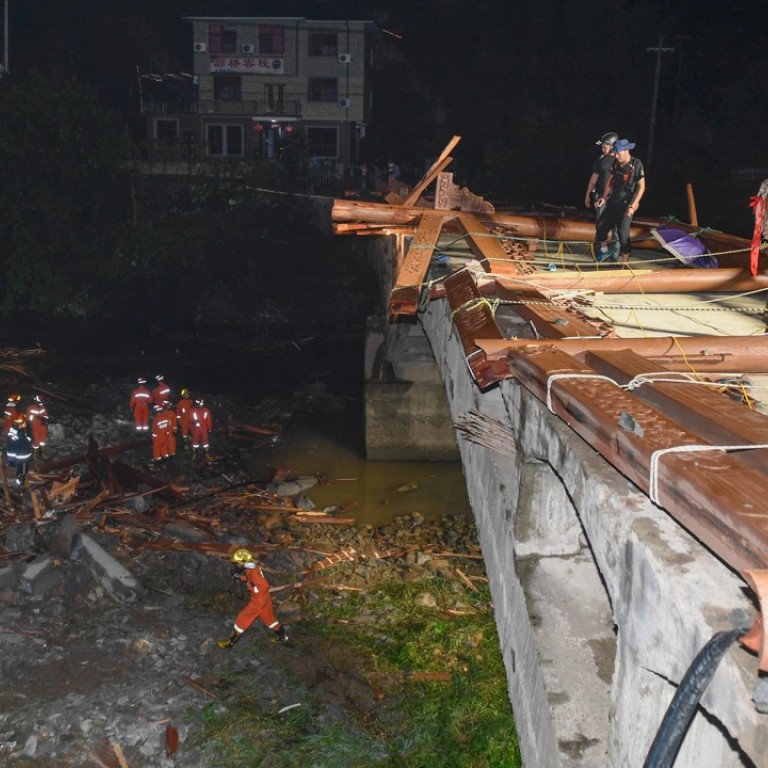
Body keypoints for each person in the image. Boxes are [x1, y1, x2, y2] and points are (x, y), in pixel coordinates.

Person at [218, 548, 288, 648]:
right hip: (265, 599)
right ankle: (282, 636)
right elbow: (250, 578)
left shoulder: (253, 571)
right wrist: (240, 577)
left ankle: (230, 642)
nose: (237, 565)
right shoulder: (252, 568)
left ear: (244, 562)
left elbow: (264, 585)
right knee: (269, 619)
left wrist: (250, 587)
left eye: (238, 563)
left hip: (258, 601)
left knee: (242, 619)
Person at [595, 138, 646, 266]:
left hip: (626, 205)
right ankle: (605, 250)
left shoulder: (636, 164)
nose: (616, 156)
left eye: (618, 153)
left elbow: (642, 186)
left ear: (627, 150)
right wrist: (603, 197)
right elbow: (610, 181)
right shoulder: (616, 163)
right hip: (613, 202)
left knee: (623, 236)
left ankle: (625, 263)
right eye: (615, 153)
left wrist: (634, 205)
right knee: (601, 227)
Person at [585, 132, 619, 261]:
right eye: (602, 145)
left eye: (605, 145)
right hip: (601, 198)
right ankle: (603, 251)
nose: (602, 148)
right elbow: (594, 178)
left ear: (612, 146)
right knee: (601, 224)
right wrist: (588, 194)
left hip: (616, 198)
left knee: (617, 227)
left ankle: (615, 255)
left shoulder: (619, 159)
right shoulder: (600, 159)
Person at [7, 414, 33, 486]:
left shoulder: (23, 430)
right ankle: (21, 482)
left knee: (21, 468)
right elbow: (25, 440)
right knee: (23, 470)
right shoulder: (18, 431)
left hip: (22, 454)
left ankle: (20, 480)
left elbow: (29, 439)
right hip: (22, 456)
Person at [190, 397, 212, 461]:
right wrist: (191, 429)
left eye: (202, 403)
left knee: (205, 441)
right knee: (195, 441)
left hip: (203, 427)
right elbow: (190, 420)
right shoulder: (193, 411)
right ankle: (195, 454)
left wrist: (209, 428)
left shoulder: (206, 410)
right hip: (195, 428)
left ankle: (206, 454)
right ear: (197, 404)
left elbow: (208, 420)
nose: (201, 404)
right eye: (200, 403)